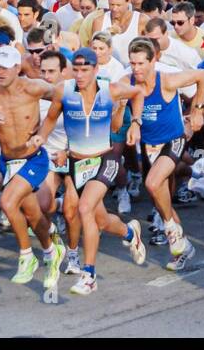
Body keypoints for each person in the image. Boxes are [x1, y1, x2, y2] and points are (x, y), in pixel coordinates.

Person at [34, 47, 145, 294]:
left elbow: (138, 93)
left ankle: (89, 275)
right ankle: (130, 233)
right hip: (77, 163)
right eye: (76, 70)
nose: (80, 75)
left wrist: (136, 123)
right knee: (101, 221)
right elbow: (50, 119)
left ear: (96, 69)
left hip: (105, 159)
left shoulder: (110, 89)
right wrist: (40, 137)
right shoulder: (63, 91)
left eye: (85, 70)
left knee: (84, 208)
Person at [0, 44, 67, 288]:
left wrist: (44, 132)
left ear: (17, 68)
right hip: (8, 161)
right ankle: (51, 251)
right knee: (33, 214)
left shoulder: (33, 87)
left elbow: (63, 98)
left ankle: (27, 257)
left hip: (34, 158)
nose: (0, 72)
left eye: (5, 67)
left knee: (8, 202)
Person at [126, 36, 204, 270]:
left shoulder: (167, 80)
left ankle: (172, 231)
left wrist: (197, 110)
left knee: (152, 184)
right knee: (162, 202)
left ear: (153, 61)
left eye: (141, 63)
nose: (136, 68)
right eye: (132, 63)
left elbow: (203, 75)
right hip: (148, 146)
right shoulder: (127, 81)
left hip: (173, 140)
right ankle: (183, 247)